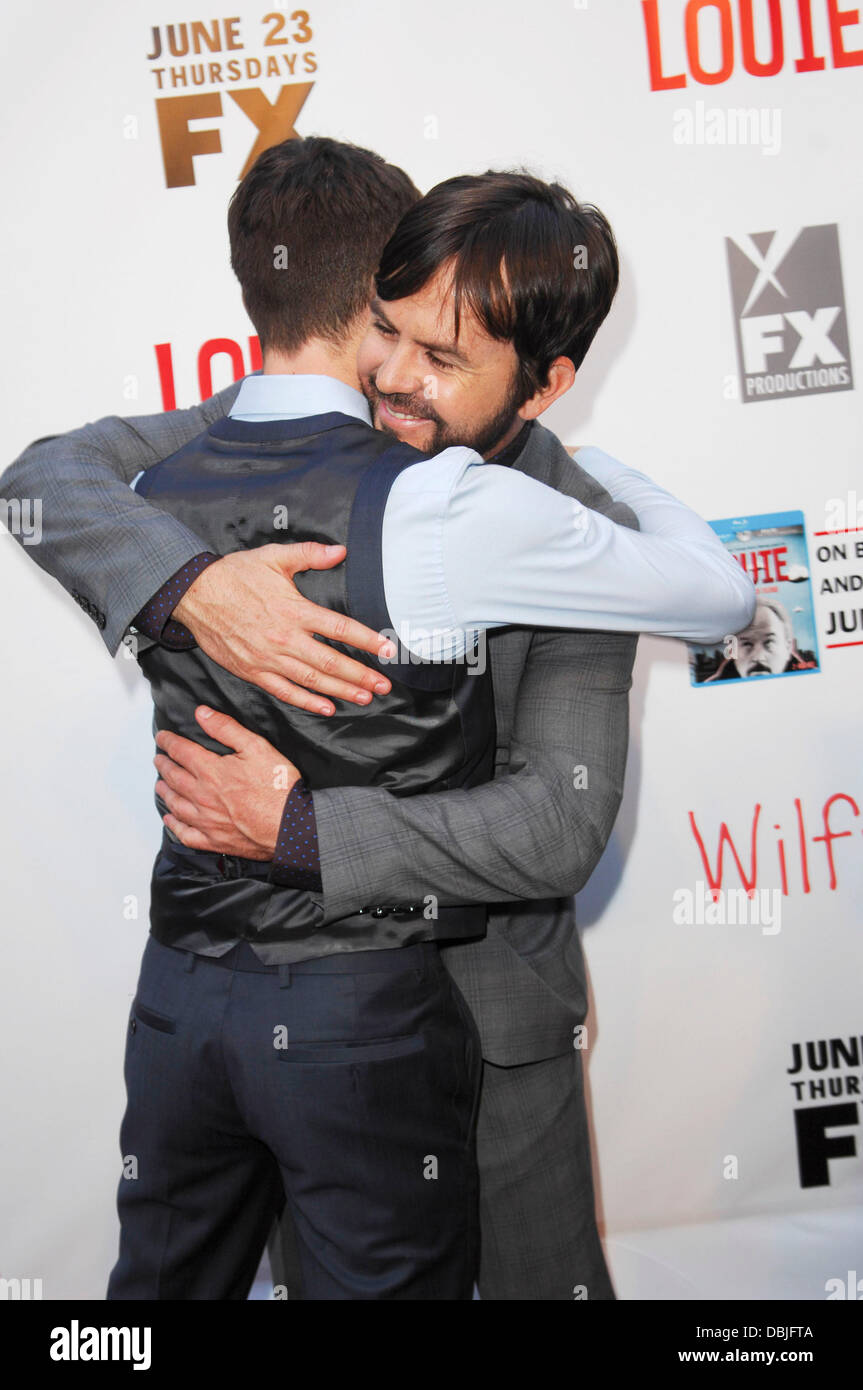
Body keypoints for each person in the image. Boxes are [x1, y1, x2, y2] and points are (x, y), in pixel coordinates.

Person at [2, 138, 755, 1301]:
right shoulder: (311, 420)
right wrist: (194, 588)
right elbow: (50, 478)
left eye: (439, 355)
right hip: (303, 1047)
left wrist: (299, 827)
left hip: (487, 1029)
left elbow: (555, 825)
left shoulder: (572, 526)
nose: (391, 378)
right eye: (385, 328)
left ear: (542, 383)